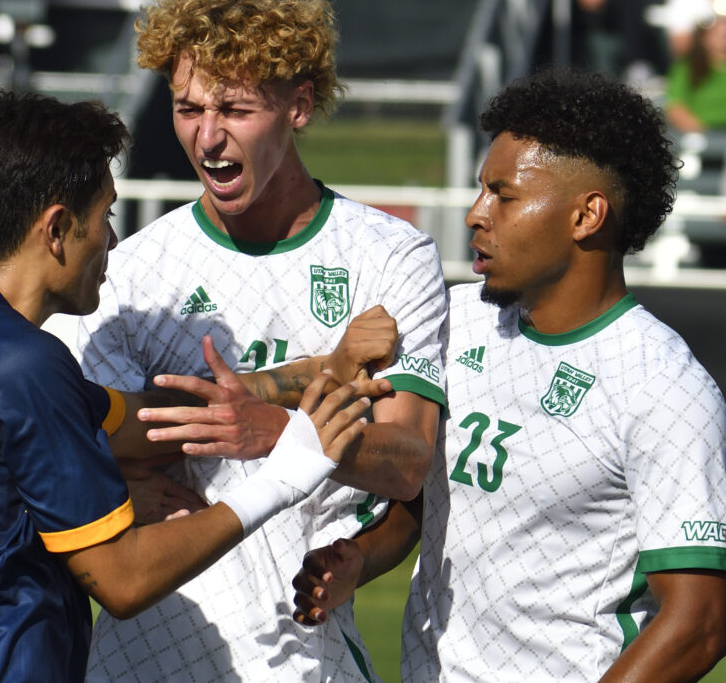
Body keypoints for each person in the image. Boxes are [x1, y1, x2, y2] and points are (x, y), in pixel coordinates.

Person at [0, 88, 387, 682]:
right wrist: (281, 480)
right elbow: (123, 579)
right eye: (104, 215)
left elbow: (142, 424)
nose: (111, 240)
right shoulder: (23, 362)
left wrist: (317, 371)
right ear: (57, 229)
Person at [293, 68, 726, 682]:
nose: (475, 214)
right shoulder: (454, 323)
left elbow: (699, 621)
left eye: (505, 195)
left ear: (586, 215)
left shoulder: (665, 388)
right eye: (480, 191)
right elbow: (425, 507)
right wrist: (358, 560)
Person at [79, 0, 447, 682]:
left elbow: (407, 462)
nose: (207, 138)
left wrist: (277, 432)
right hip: (144, 657)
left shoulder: (391, 257)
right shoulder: (132, 269)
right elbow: (97, 448)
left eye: (235, 110)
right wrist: (322, 376)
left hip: (301, 653)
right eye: (188, 109)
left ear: (300, 107)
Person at [666, 11, 726, 132]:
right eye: (719, 34)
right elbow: (676, 107)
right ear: (705, 37)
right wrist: (704, 134)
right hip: (701, 135)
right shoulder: (687, 68)